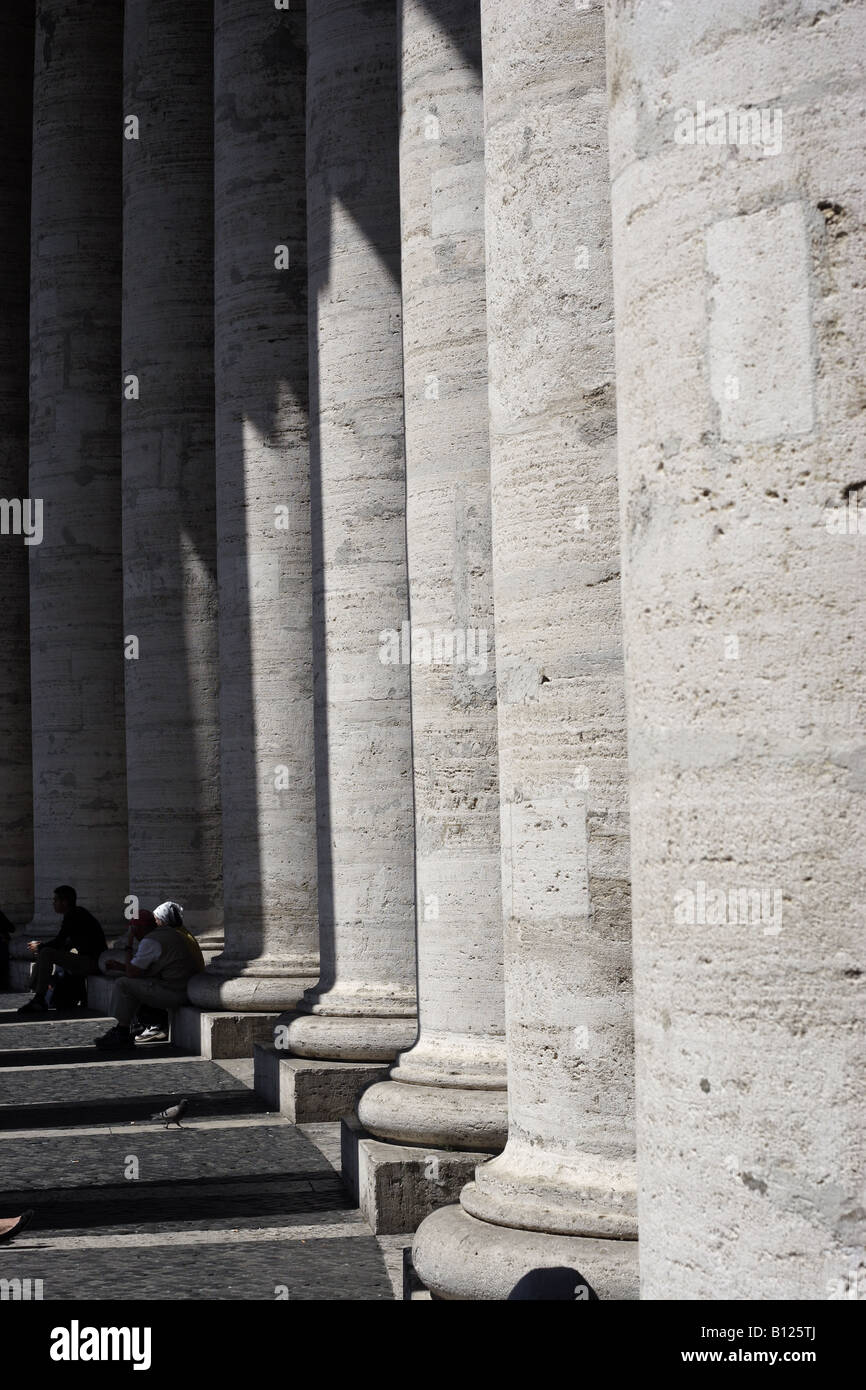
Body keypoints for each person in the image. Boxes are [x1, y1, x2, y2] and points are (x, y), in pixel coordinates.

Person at [94, 901, 199, 1051]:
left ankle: (122, 1031)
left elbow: (131, 973)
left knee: (123, 984)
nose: (134, 934)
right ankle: (138, 1024)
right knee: (132, 981)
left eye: (133, 930)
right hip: (181, 988)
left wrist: (129, 944)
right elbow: (142, 969)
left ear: (139, 928)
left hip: (175, 992)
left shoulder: (151, 941)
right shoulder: (167, 934)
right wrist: (121, 967)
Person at [17, 887, 107, 1015]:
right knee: (46, 952)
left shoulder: (74, 915)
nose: (53, 903)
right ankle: (37, 995)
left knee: (46, 952)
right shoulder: (77, 914)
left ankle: (39, 998)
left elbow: (59, 941)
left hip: (92, 962)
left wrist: (40, 947)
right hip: (89, 960)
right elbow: (65, 943)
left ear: (64, 902)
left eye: (55, 900)